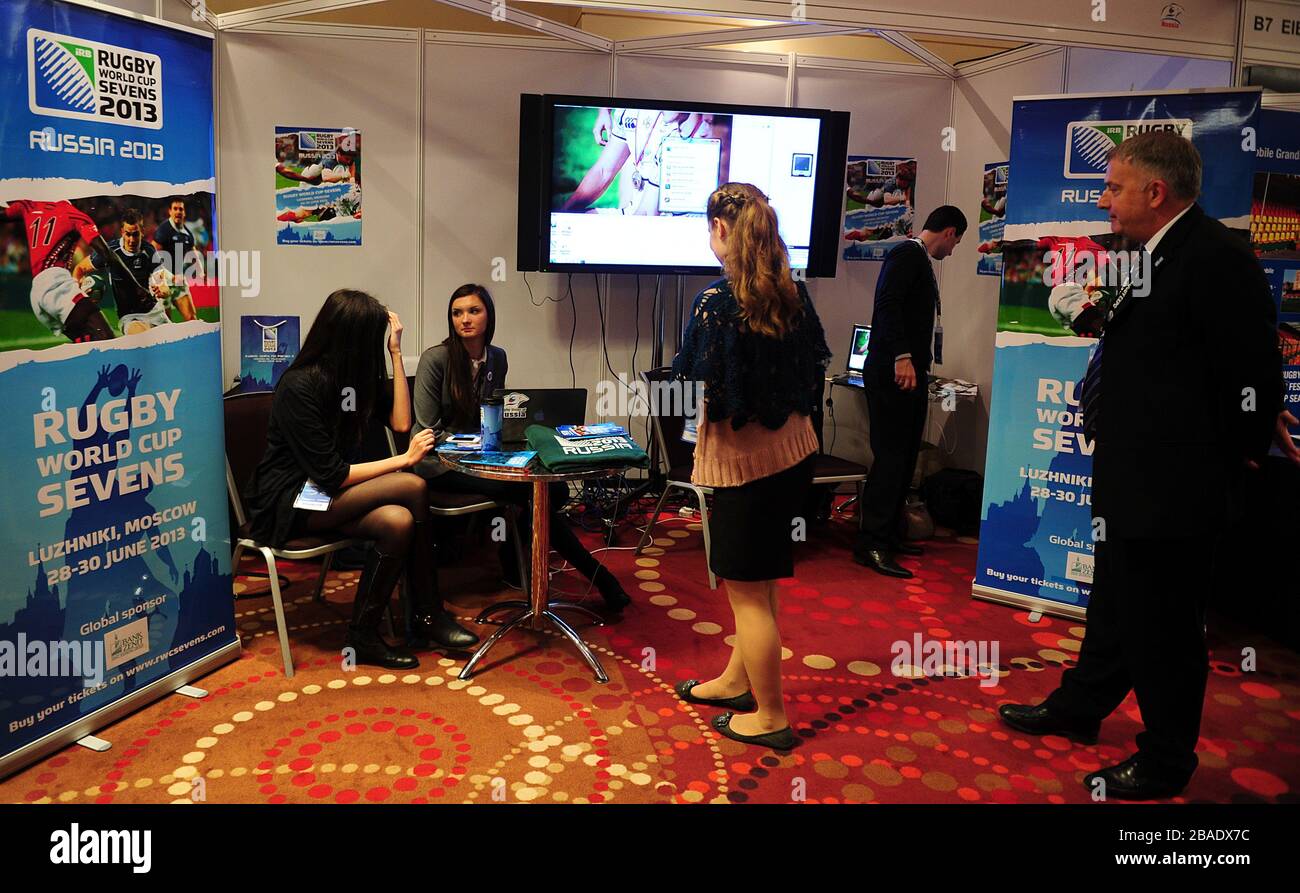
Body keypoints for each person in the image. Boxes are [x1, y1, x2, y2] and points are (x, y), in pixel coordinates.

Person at [999, 131, 1285, 800]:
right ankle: (1078, 708)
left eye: (1113, 188)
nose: (1102, 201)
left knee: (1166, 629)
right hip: (1131, 472)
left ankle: (1164, 758)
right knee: (1117, 605)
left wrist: (1239, 442)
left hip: (1176, 487)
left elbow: (1252, 368)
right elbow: (1148, 346)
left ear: (1155, 192)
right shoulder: (1146, 254)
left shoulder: (1215, 257)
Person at [670, 183, 831, 750]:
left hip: (744, 467)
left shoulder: (716, 303)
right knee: (760, 587)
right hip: (792, 456)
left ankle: (771, 716)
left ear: (720, 229)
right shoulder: (794, 294)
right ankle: (738, 681)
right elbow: (812, 370)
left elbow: (692, 380)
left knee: (746, 592)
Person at [245, 289, 479, 671]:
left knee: (398, 520)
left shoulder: (351, 380)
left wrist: (396, 352)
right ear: (352, 338)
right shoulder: (299, 385)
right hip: (291, 499)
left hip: (328, 493)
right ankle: (426, 613)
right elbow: (332, 475)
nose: (377, 344)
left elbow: (401, 422)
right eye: (374, 337)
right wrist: (403, 460)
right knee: (413, 483)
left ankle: (365, 634)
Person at [412, 284, 631, 612]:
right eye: (457, 313)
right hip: (440, 461)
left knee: (552, 491)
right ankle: (597, 577)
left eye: (474, 311)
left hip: (482, 455)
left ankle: (519, 566)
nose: (465, 319)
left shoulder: (496, 357)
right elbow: (429, 429)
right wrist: (479, 445)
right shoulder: (436, 359)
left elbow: (495, 415)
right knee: (532, 493)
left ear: (489, 316)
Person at [854, 205, 966, 578]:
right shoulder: (905, 254)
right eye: (956, 242)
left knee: (904, 457)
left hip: (912, 373)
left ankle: (890, 534)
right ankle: (870, 542)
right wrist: (902, 356)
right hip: (893, 372)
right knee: (890, 457)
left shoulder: (917, 259)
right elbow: (886, 307)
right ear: (949, 232)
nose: (952, 252)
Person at [73, 208, 171, 335]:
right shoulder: (109, 251)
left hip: (155, 312)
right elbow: (80, 268)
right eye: (127, 234)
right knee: (144, 339)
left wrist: (163, 289)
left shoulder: (149, 250)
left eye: (135, 234)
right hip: (130, 317)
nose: (131, 240)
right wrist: (77, 286)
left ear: (142, 232)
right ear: (122, 232)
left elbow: (162, 282)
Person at [150, 197, 198, 322]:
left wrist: (201, 271)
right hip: (163, 281)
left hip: (178, 280)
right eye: (175, 209)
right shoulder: (164, 230)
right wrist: (164, 275)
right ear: (170, 211)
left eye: (180, 209)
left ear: (184, 212)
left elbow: (193, 253)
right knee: (166, 323)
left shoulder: (187, 233)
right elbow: (152, 253)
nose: (178, 212)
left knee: (192, 319)